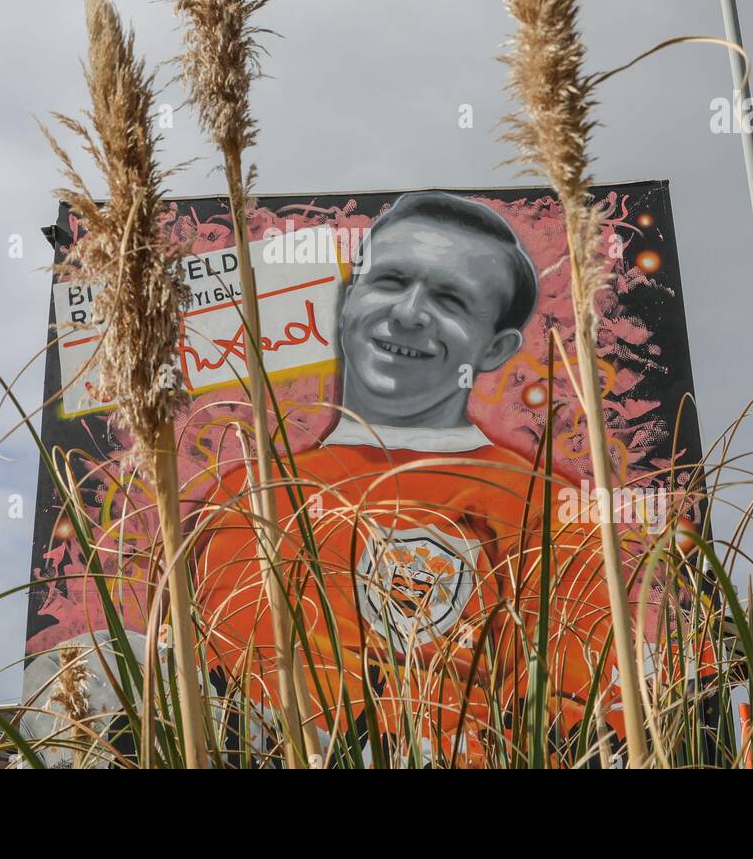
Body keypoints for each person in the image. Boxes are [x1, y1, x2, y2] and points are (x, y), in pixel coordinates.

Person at [194, 191, 622, 766]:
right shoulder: (257, 496)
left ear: (494, 348)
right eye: (390, 281)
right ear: (349, 301)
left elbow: (574, 704)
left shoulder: (542, 504)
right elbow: (236, 670)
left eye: (450, 300)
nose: (408, 313)